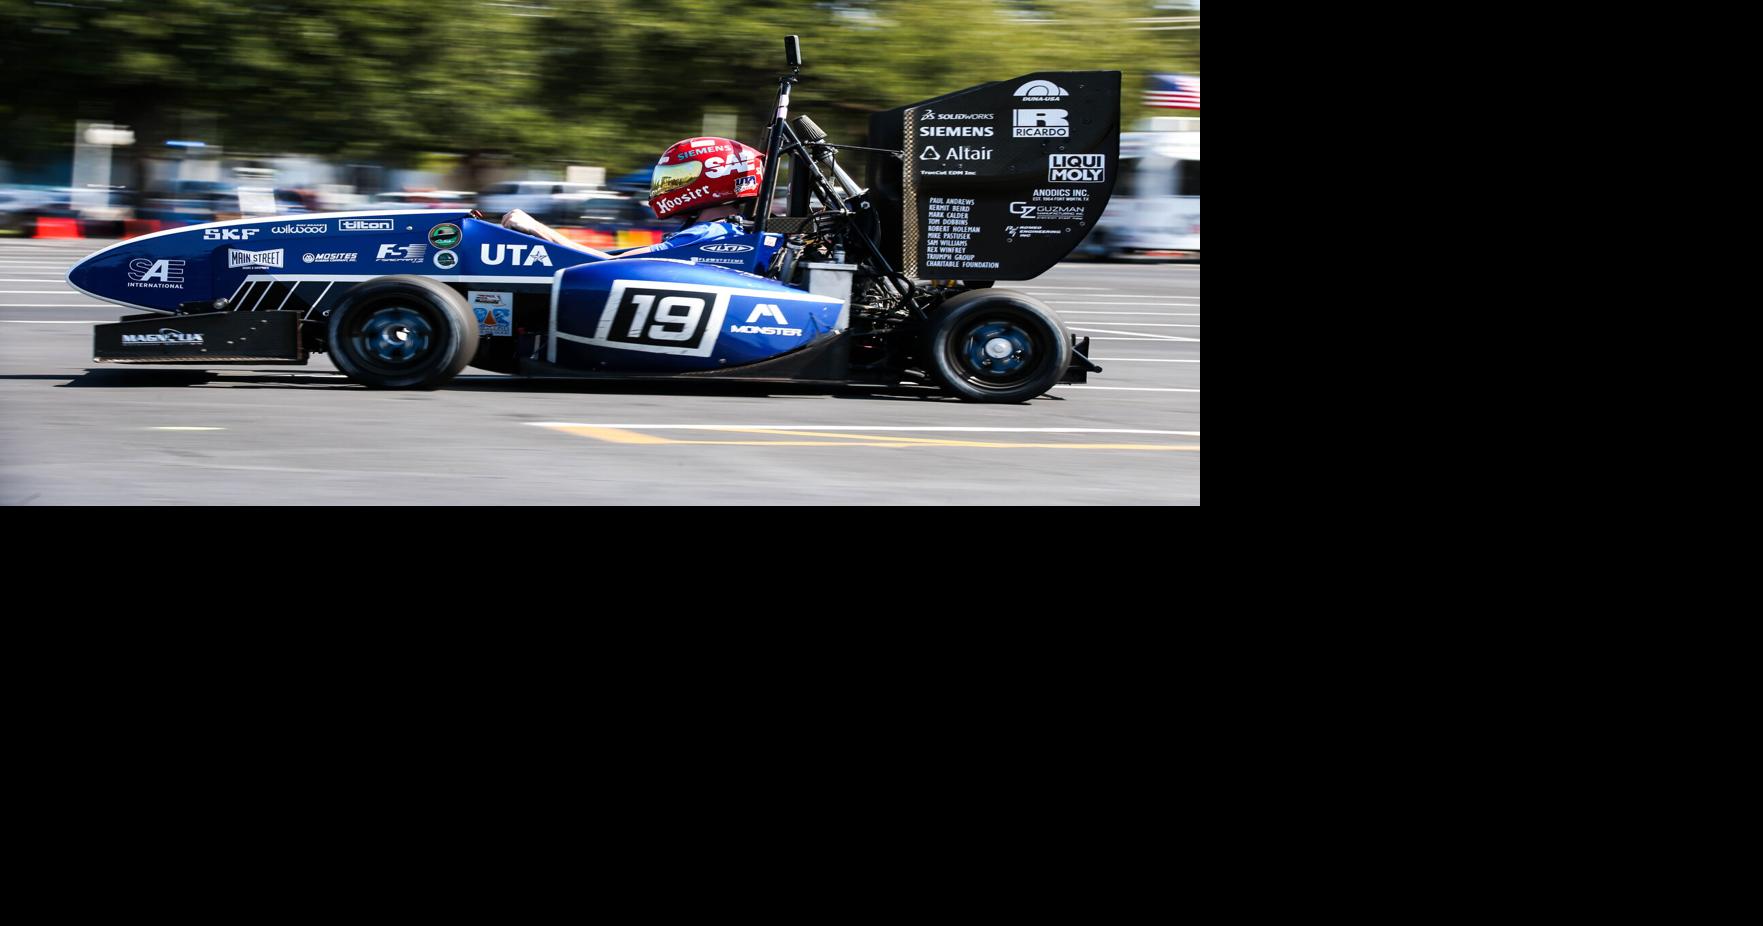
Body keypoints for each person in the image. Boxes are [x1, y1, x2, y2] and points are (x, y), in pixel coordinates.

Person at [499, 137, 764, 260]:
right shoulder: (724, 231)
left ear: (714, 178)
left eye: (678, 178)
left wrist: (536, 228)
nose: (667, 186)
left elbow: (607, 265)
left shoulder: (705, 234)